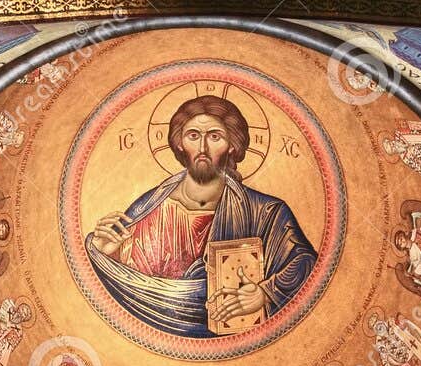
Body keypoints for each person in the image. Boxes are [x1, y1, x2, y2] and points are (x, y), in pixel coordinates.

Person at [86, 96, 315, 338]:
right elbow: (129, 287)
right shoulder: (149, 209)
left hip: (238, 346)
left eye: (215, 137)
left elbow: (306, 264)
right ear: (180, 144)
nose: (203, 148)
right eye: (193, 136)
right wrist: (105, 253)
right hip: (159, 347)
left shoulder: (266, 212)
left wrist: (266, 292)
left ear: (232, 146)